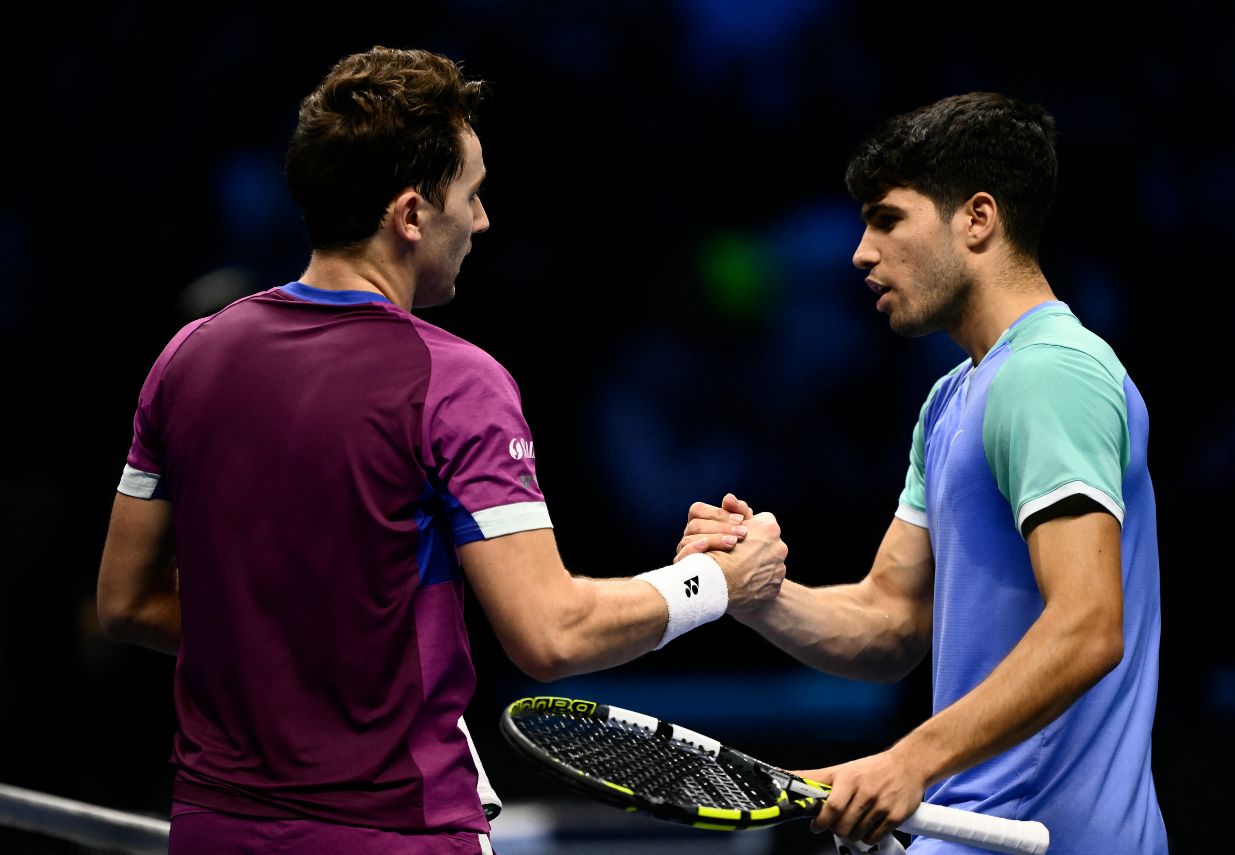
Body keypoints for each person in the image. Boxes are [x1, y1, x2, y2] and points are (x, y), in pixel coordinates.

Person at [95, 46, 787, 855]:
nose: (483, 219)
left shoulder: (189, 356)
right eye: (472, 193)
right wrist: (718, 581)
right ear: (413, 214)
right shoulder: (456, 381)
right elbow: (551, 632)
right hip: (396, 833)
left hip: (217, 832)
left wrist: (308, 647)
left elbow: (127, 601)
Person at [680, 93, 1166, 854]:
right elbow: (890, 621)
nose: (860, 252)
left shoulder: (1052, 375)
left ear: (977, 218)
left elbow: (1089, 625)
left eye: (887, 219)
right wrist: (757, 596)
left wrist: (908, 760)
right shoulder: (950, 398)